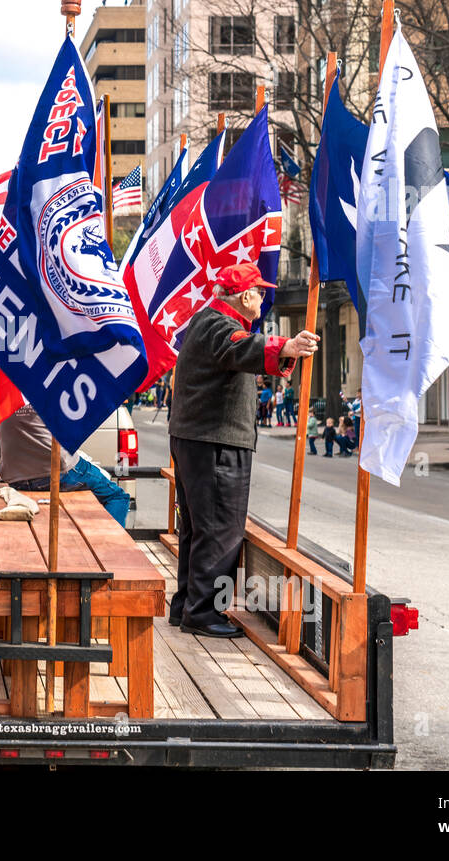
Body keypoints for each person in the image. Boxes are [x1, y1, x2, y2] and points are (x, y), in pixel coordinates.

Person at [167, 262, 318, 638]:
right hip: (215, 441)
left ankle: (187, 605)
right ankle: (202, 612)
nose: (263, 299)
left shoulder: (207, 320)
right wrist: (286, 345)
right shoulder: (221, 325)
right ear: (245, 296)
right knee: (220, 530)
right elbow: (241, 347)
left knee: (198, 529)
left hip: (197, 439)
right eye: (260, 293)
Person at [0, 366, 131, 525]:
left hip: (15, 477)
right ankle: (106, 545)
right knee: (118, 497)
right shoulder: (59, 372)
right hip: (58, 472)